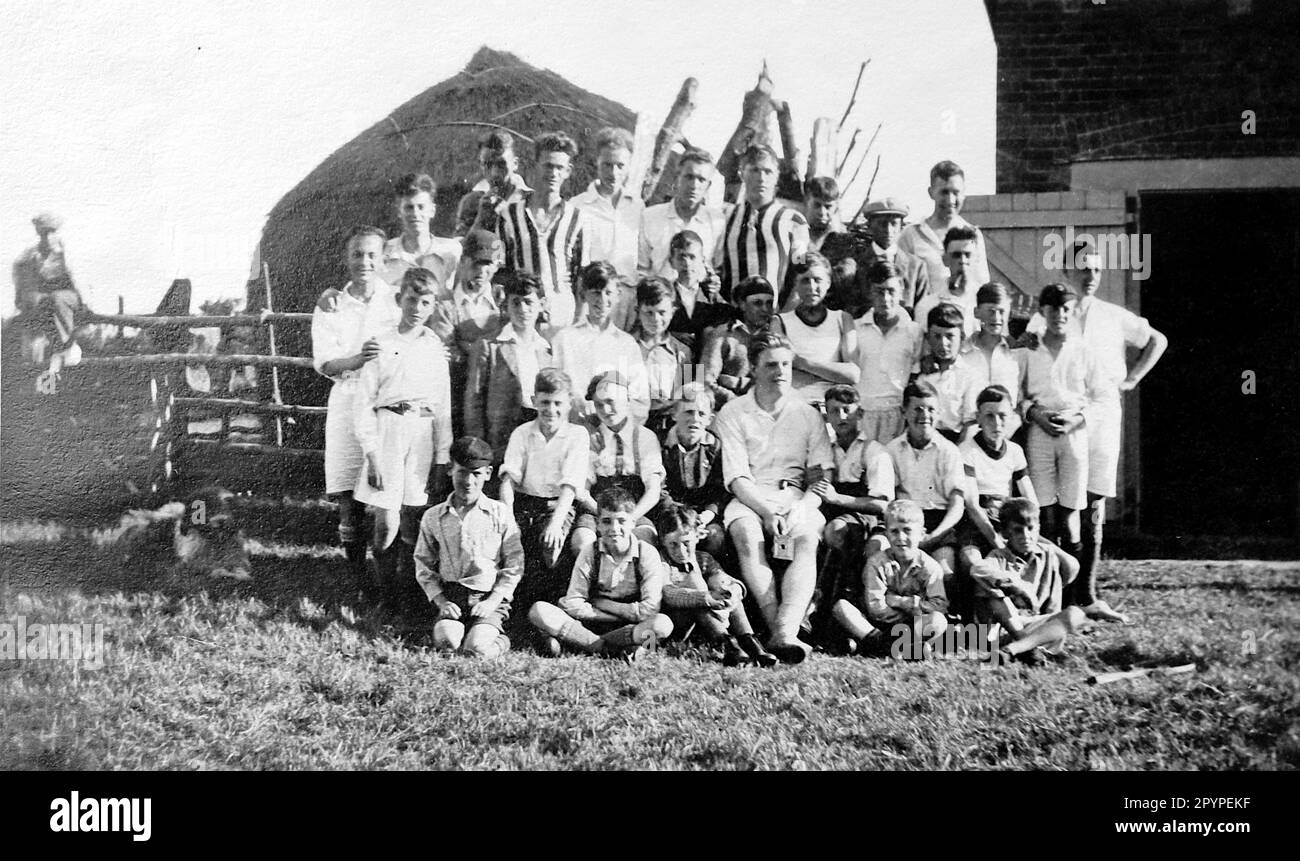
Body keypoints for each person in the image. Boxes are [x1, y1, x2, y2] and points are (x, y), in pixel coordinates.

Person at [1023, 244, 1166, 624]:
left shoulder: (1114, 316)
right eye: (1083, 268)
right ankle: (1057, 594)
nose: (1090, 276)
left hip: (1101, 415)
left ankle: (1087, 594)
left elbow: (1158, 340)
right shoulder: (1052, 314)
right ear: (1068, 270)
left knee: (1094, 503)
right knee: (1056, 506)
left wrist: (1132, 379)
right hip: (1060, 417)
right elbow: (1026, 352)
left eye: (1097, 269)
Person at [714, 332, 834, 663]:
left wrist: (803, 506)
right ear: (753, 368)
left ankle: (786, 630)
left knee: (807, 538)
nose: (780, 372)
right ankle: (775, 627)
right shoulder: (734, 412)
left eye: (786, 364)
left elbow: (821, 476)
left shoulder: (808, 413)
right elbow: (736, 477)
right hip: (751, 495)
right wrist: (766, 512)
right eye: (771, 365)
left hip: (796, 497)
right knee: (747, 536)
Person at [353, 267, 453, 620]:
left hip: (422, 432)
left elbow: (442, 406)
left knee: (413, 520)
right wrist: (373, 454)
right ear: (400, 299)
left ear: (433, 305)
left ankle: (407, 597)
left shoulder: (434, 347)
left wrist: (442, 458)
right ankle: (384, 594)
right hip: (388, 432)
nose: (417, 307)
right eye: (411, 299)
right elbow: (363, 403)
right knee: (386, 523)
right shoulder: (382, 344)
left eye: (425, 301)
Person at [311, 225, 402, 603]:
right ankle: (359, 580)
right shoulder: (332, 305)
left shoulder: (395, 301)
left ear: (383, 260)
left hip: (385, 400)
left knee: (386, 492)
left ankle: (390, 582)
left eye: (371, 255)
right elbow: (325, 362)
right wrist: (357, 359)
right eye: (357, 255)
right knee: (349, 494)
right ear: (346, 259)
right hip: (348, 397)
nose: (364, 262)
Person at [1017, 283, 1107, 578]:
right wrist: (1034, 413)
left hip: (1073, 433)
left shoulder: (1083, 350)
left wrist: (1077, 419)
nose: (1059, 315)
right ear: (1042, 311)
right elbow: (1016, 394)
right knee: (1043, 510)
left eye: (1065, 309)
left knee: (1071, 511)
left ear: (1072, 312)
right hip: (1040, 432)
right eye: (1053, 308)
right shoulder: (1029, 349)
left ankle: (1073, 591)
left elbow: (1101, 396)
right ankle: (1049, 583)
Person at [527, 486, 674, 661]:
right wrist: (609, 615)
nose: (614, 528)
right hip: (592, 622)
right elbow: (573, 603)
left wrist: (605, 604)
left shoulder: (646, 553)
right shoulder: (590, 551)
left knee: (661, 625)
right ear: (597, 524)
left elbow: (650, 609)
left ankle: (580, 645)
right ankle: (607, 648)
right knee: (539, 611)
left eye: (621, 520)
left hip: (632, 625)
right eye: (606, 521)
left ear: (633, 523)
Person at [416, 437, 523, 659]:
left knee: (477, 649)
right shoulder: (434, 516)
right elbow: (423, 564)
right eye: (462, 472)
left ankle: (501, 639)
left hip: (487, 597)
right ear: (449, 469)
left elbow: (514, 563)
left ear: (488, 473)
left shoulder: (499, 513)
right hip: (452, 597)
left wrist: (493, 600)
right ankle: (456, 630)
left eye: (476, 474)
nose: (468, 481)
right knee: (448, 641)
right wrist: (441, 601)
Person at [810, 385, 895, 642]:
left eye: (848, 410)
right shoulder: (826, 450)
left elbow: (881, 504)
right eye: (834, 411)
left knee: (838, 533)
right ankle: (823, 618)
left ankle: (846, 612)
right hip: (834, 514)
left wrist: (838, 498)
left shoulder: (874, 451)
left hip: (865, 517)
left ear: (860, 414)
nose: (842, 417)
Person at [498, 368, 589, 604]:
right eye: (545, 402)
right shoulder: (522, 433)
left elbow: (570, 485)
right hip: (525, 503)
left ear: (569, 403)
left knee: (551, 544)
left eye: (558, 403)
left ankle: (554, 606)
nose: (551, 410)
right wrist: (508, 518)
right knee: (508, 544)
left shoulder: (577, 435)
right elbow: (508, 479)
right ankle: (513, 606)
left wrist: (556, 523)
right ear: (534, 401)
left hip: (558, 504)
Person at [969, 498, 1088, 665]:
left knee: (1076, 613)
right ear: (1005, 533)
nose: (1026, 536)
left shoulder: (1047, 554)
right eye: (1018, 531)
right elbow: (977, 569)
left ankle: (1017, 650)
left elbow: (1054, 600)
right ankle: (1027, 648)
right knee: (993, 591)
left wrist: (1055, 621)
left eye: (1031, 529)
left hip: (1036, 627)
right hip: (1004, 628)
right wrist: (1017, 585)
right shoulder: (997, 556)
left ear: (1038, 529)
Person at [656, 504, 777, 667]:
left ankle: (751, 643)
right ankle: (728, 645)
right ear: (663, 542)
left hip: (708, 621)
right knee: (697, 596)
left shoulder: (703, 558)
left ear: (697, 537)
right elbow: (668, 594)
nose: (682, 551)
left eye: (686, 543)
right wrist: (706, 597)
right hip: (677, 623)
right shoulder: (661, 561)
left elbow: (723, 578)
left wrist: (732, 590)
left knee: (726, 591)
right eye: (673, 544)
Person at [831, 499, 948, 658]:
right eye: (894, 531)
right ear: (886, 534)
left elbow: (939, 605)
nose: (901, 537)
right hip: (876, 625)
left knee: (938, 621)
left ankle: (877, 647)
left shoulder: (931, 567)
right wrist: (911, 608)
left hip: (911, 625)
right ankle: (891, 646)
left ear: (921, 534)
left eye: (907, 530)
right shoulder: (877, 563)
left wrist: (903, 602)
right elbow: (876, 608)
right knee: (842, 607)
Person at [496, 132, 589, 329]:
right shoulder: (509, 214)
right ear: (535, 164)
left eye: (559, 167)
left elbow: (581, 274)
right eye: (548, 165)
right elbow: (500, 269)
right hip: (522, 311)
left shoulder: (577, 218)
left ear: (568, 171)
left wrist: (579, 319)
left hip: (562, 313)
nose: (553, 173)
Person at [884, 380, 967, 596]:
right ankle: (888, 623)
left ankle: (945, 625)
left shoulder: (949, 451)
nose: (925, 415)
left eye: (930, 409)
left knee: (944, 572)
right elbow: (889, 500)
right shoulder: (891, 450)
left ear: (938, 412)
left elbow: (957, 504)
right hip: (903, 524)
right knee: (886, 567)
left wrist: (934, 536)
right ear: (904, 412)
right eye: (917, 409)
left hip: (938, 523)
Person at [570, 371, 664, 559]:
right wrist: (604, 517)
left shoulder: (645, 437)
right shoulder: (591, 438)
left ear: (627, 400)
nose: (605, 409)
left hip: (634, 509)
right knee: (582, 541)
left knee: (644, 539)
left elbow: (653, 491)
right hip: (597, 508)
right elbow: (583, 490)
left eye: (610, 401)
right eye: (598, 404)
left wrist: (630, 519)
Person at [463, 272, 553, 464]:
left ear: (542, 304)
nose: (522, 309)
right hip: (502, 434)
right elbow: (474, 401)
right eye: (516, 302)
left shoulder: (547, 348)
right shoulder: (490, 345)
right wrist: (478, 447)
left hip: (538, 426)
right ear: (507, 305)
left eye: (529, 302)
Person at [548, 261, 649, 423]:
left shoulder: (627, 344)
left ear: (618, 295)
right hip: (574, 431)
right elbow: (554, 392)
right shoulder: (564, 339)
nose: (602, 300)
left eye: (608, 292)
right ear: (583, 295)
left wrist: (615, 426)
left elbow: (641, 401)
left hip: (615, 431)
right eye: (595, 292)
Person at [432, 228, 505, 437]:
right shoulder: (446, 306)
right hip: (459, 394)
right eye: (476, 263)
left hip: (498, 396)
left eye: (488, 264)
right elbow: (448, 353)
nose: (481, 272)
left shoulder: (504, 300)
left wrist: (468, 347)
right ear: (463, 261)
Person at [718, 144, 810, 309]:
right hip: (731, 316)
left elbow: (801, 271)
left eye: (768, 172)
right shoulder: (726, 216)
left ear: (776, 176)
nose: (761, 178)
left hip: (773, 316)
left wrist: (783, 317)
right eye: (754, 170)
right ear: (742, 173)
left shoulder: (794, 221)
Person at [769, 251, 859, 409]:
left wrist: (803, 363)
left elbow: (853, 374)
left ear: (828, 283)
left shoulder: (842, 319)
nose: (811, 287)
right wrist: (833, 371)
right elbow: (780, 369)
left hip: (834, 411)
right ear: (795, 284)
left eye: (817, 280)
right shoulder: (779, 322)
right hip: (794, 408)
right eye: (804, 281)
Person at [850, 261, 925, 443]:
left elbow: (916, 374)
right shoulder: (856, 328)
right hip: (863, 413)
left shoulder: (914, 331)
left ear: (901, 290)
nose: (885, 298)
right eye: (879, 291)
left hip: (898, 415)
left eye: (891, 291)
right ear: (869, 292)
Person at [897, 160, 990, 293]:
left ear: (964, 193)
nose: (950, 200)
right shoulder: (911, 234)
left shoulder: (973, 234)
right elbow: (901, 285)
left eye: (956, 192)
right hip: (924, 311)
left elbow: (982, 283)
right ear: (931, 192)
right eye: (944, 192)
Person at [659, 383, 729, 559]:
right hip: (670, 513)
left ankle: (709, 574)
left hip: (701, 516)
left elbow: (719, 490)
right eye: (688, 412)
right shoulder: (662, 445)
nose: (695, 419)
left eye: (702, 414)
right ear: (674, 414)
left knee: (715, 536)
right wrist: (682, 518)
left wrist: (706, 515)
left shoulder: (715, 447)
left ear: (709, 419)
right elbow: (660, 488)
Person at [638, 147, 729, 280]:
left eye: (701, 179)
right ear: (677, 179)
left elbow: (718, 269)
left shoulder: (717, 222)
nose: (694, 185)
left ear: (708, 186)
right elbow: (641, 268)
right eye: (689, 177)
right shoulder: (650, 217)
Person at [832, 196, 929, 315]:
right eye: (882, 224)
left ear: (901, 227)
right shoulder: (856, 266)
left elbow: (923, 310)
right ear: (869, 227)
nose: (888, 230)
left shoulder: (915, 267)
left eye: (894, 224)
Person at [13, 211, 85, 371]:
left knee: (56, 298)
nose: (47, 237)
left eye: (51, 232)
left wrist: (85, 303)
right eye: (43, 233)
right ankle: (42, 349)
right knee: (36, 301)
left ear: (56, 232)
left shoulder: (66, 252)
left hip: (69, 297)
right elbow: (23, 281)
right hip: (47, 301)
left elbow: (78, 281)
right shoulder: (32, 255)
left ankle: (68, 345)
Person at [572, 126, 643, 280]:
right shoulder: (578, 205)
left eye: (620, 165)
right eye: (607, 164)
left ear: (629, 166)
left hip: (628, 296)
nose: (613, 173)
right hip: (592, 294)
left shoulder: (638, 207)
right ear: (597, 162)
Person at [630, 276, 693, 438]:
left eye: (662, 312)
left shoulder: (684, 351)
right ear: (637, 311)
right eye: (649, 313)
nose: (655, 320)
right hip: (634, 422)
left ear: (673, 310)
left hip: (670, 425)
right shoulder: (626, 346)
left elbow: (692, 396)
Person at [700, 274, 775, 407]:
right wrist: (736, 402)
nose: (765, 309)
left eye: (769, 303)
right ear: (742, 304)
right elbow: (705, 381)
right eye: (757, 303)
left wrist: (737, 382)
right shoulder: (722, 335)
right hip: (730, 410)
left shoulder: (776, 335)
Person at [381, 173, 462, 296]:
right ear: (399, 211)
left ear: (432, 210)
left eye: (421, 207)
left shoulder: (452, 251)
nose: (415, 214)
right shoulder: (385, 254)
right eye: (409, 207)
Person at [959, 282, 1022, 438]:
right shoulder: (961, 352)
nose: (996, 318)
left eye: (1001, 312)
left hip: (1008, 433)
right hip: (968, 433)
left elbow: (1023, 399)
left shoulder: (1015, 353)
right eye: (990, 311)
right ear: (977, 312)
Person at [911, 301, 979, 443]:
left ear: (961, 337)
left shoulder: (969, 376)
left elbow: (970, 424)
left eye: (949, 336)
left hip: (955, 442)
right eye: (937, 336)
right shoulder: (920, 372)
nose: (943, 343)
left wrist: (956, 456)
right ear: (928, 337)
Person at [662, 230, 733, 359]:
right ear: (671, 261)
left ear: (702, 260)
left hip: (704, 365)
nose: (687, 263)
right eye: (681, 257)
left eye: (692, 257)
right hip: (674, 363)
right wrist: (672, 334)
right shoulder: (665, 294)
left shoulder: (711, 296)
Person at [456, 129, 532, 236]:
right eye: (487, 164)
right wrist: (481, 219)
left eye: (501, 164)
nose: (494, 173)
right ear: (480, 165)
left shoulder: (531, 199)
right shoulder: (471, 202)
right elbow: (461, 249)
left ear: (515, 164)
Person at [912, 226, 980, 337]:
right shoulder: (927, 306)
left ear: (976, 259)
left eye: (968, 255)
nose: (962, 261)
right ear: (945, 260)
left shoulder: (986, 301)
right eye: (956, 255)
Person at [803, 176, 847, 254]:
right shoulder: (795, 232)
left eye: (828, 207)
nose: (822, 212)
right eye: (817, 205)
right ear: (807, 202)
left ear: (836, 207)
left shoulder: (841, 240)